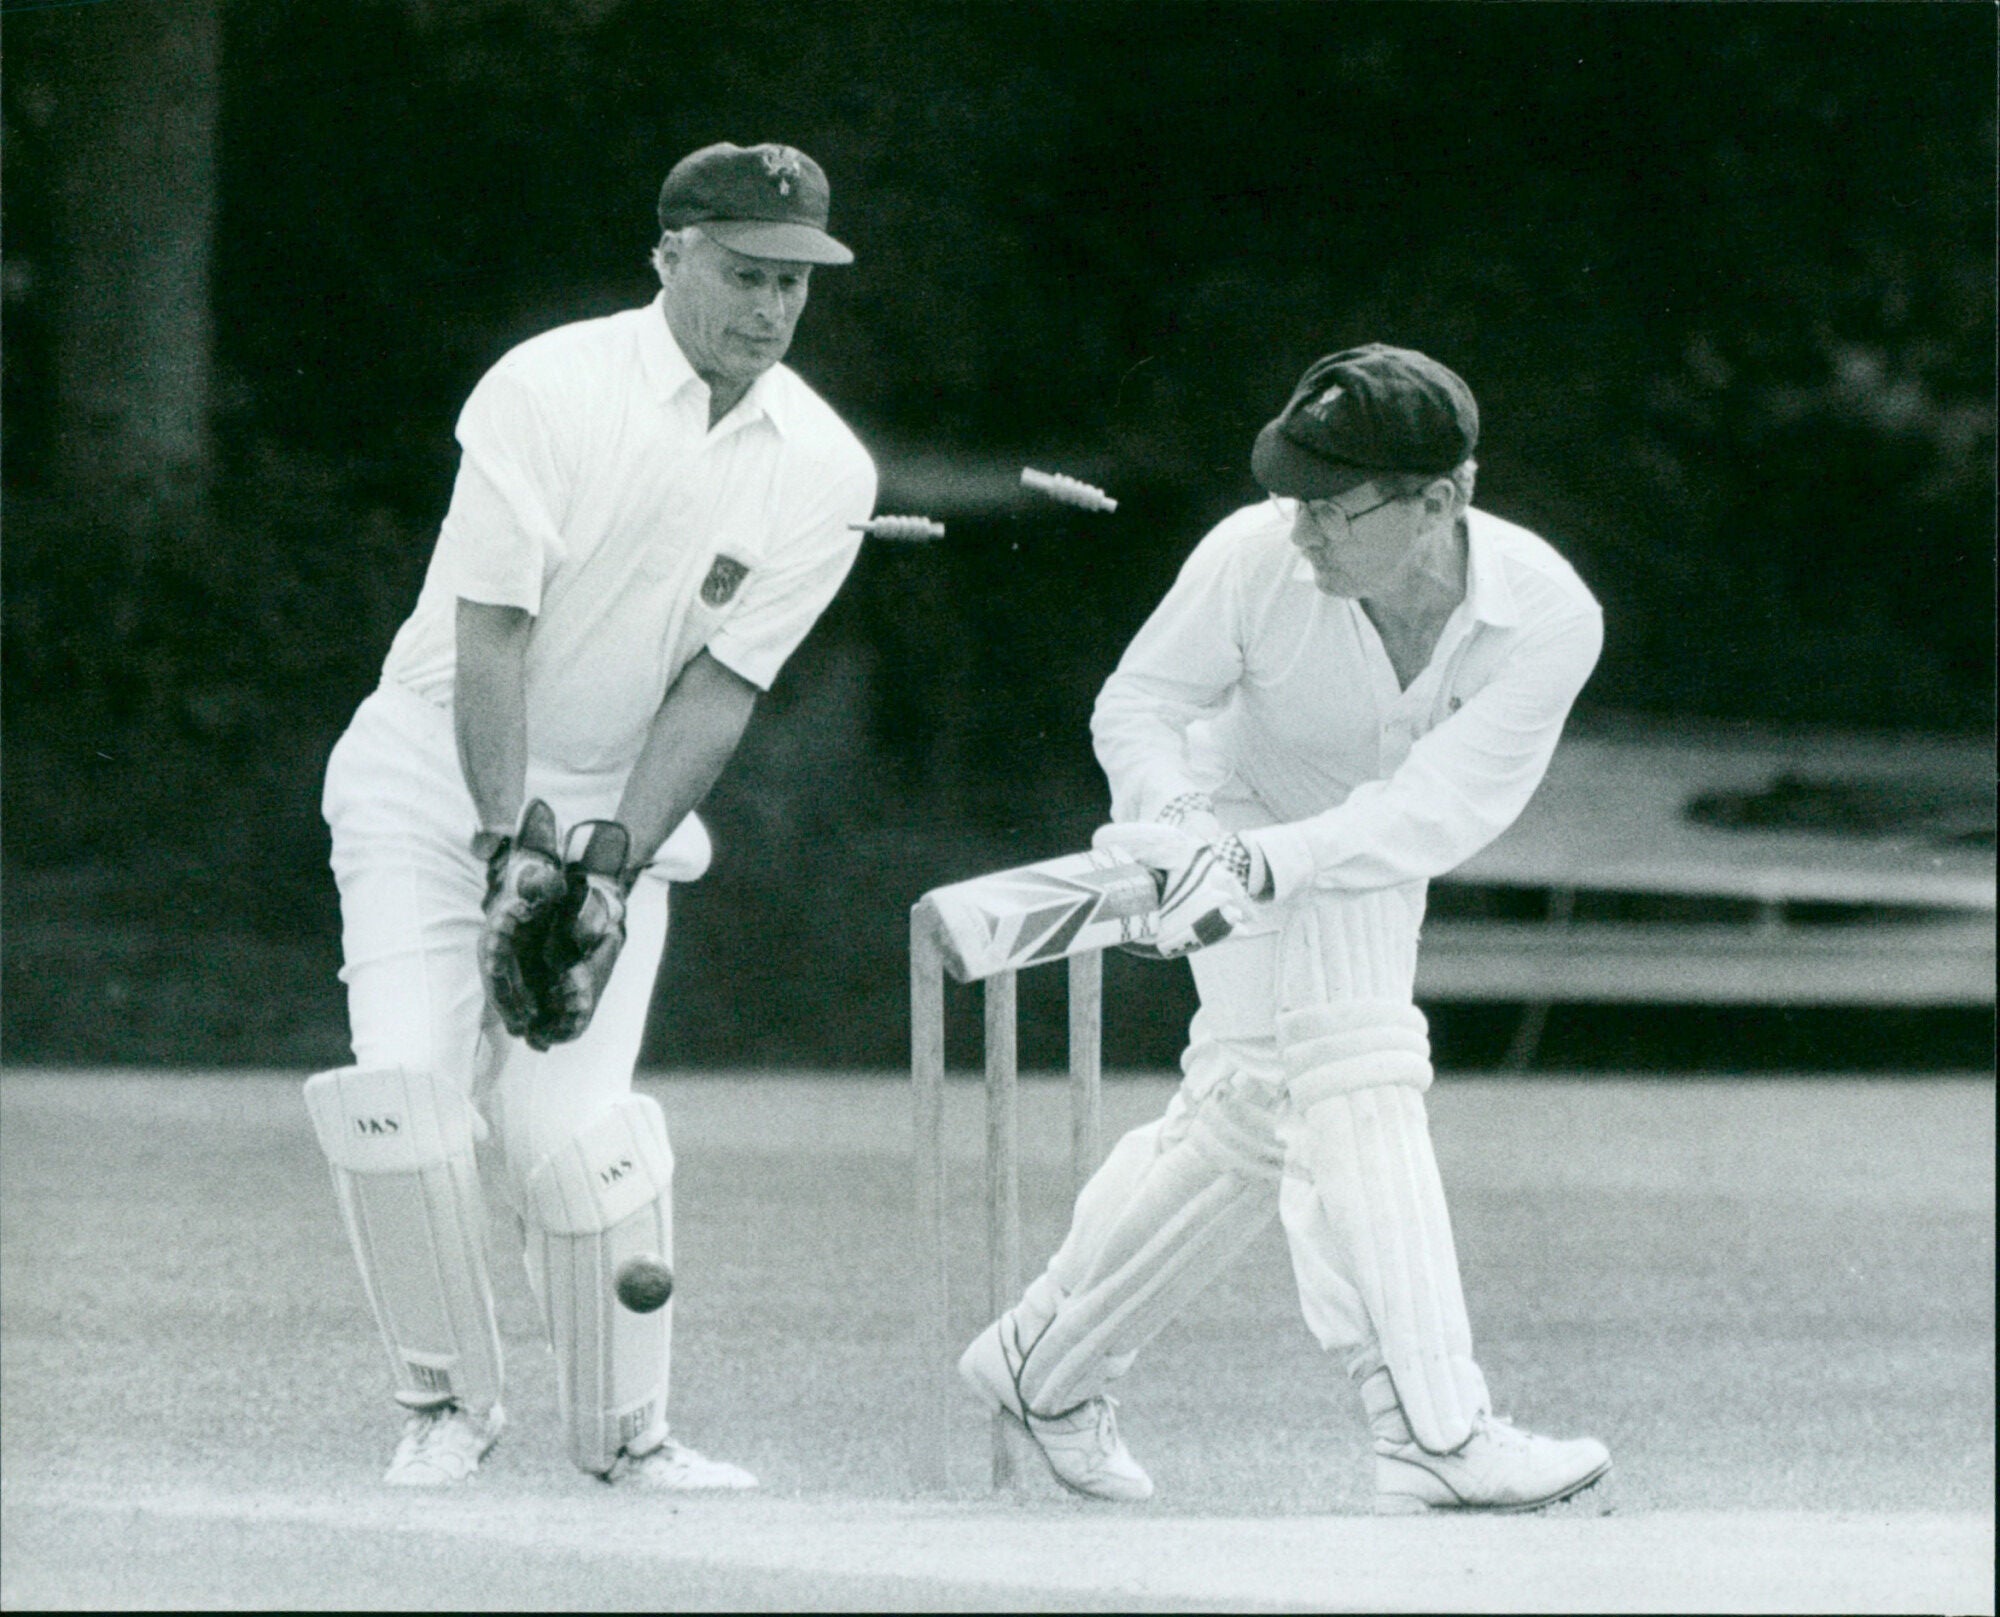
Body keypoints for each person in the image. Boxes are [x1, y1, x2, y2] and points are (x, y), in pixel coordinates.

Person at [304, 142, 876, 1489]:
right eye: (744, 273)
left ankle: (630, 1433)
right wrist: (512, 844)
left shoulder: (826, 468)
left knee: (576, 1144)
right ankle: (444, 1404)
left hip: (619, 812)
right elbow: (491, 631)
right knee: (409, 1098)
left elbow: (718, 693)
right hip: (435, 785)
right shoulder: (550, 386)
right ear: (670, 253)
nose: (770, 309)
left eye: (795, 283)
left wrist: (606, 865)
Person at [959, 344, 1612, 1514]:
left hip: (1368, 849)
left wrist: (1264, 866)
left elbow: (1432, 812)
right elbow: (1143, 704)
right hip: (1239, 810)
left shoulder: (1547, 616)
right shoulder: (1254, 555)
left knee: (1261, 1110)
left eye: (1331, 506)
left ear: (1438, 503)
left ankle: (1039, 1364)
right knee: (1356, 1065)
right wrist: (1172, 830)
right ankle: (1433, 1428)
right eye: (1291, 495)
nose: (1300, 530)